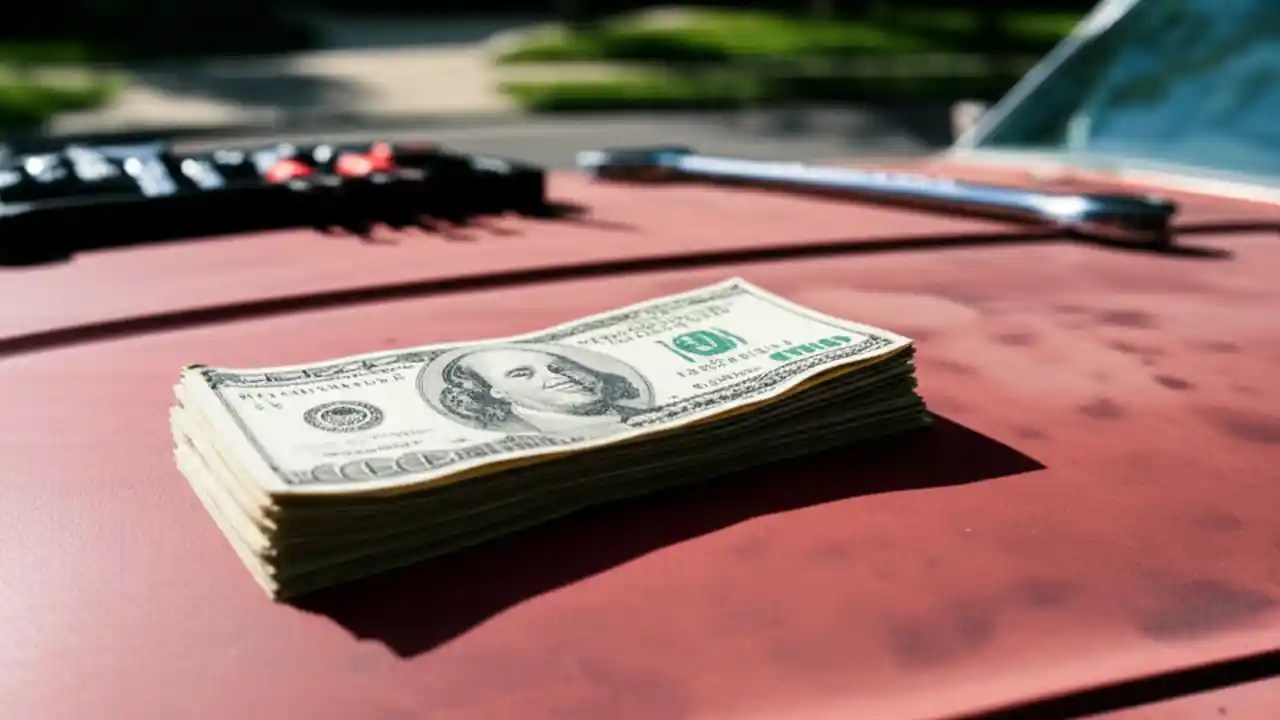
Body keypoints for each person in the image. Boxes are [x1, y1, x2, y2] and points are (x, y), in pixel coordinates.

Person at [437, 346, 646, 437]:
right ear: (498, 392)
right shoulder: (515, 432)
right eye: (521, 374)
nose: (559, 376)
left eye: (557, 366)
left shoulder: (638, 413)